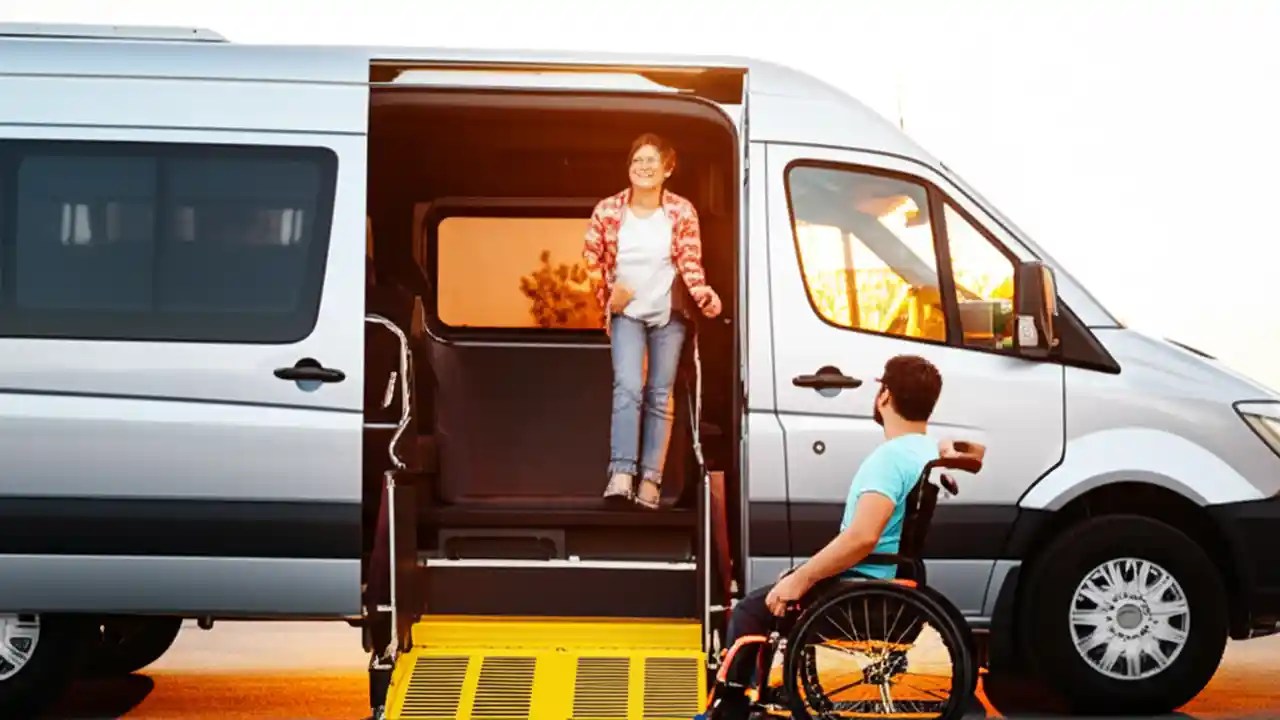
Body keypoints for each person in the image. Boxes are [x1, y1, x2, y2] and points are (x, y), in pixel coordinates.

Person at [724, 353, 981, 647]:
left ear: (885, 395)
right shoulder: (928, 451)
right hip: (891, 583)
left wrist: (802, 579)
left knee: (749, 612)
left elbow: (862, 537)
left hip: (862, 592)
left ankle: (732, 692)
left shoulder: (890, 459)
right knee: (785, 582)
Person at [582, 132, 723, 509]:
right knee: (628, 387)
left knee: (661, 395)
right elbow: (590, 260)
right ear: (629, 167)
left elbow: (690, 261)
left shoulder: (680, 211)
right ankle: (622, 472)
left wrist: (704, 294)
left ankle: (650, 480)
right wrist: (608, 295)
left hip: (668, 315)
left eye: (651, 161)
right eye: (637, 160)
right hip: (626, 313)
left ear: (668, 168)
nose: (643, 167)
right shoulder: (609, 210)